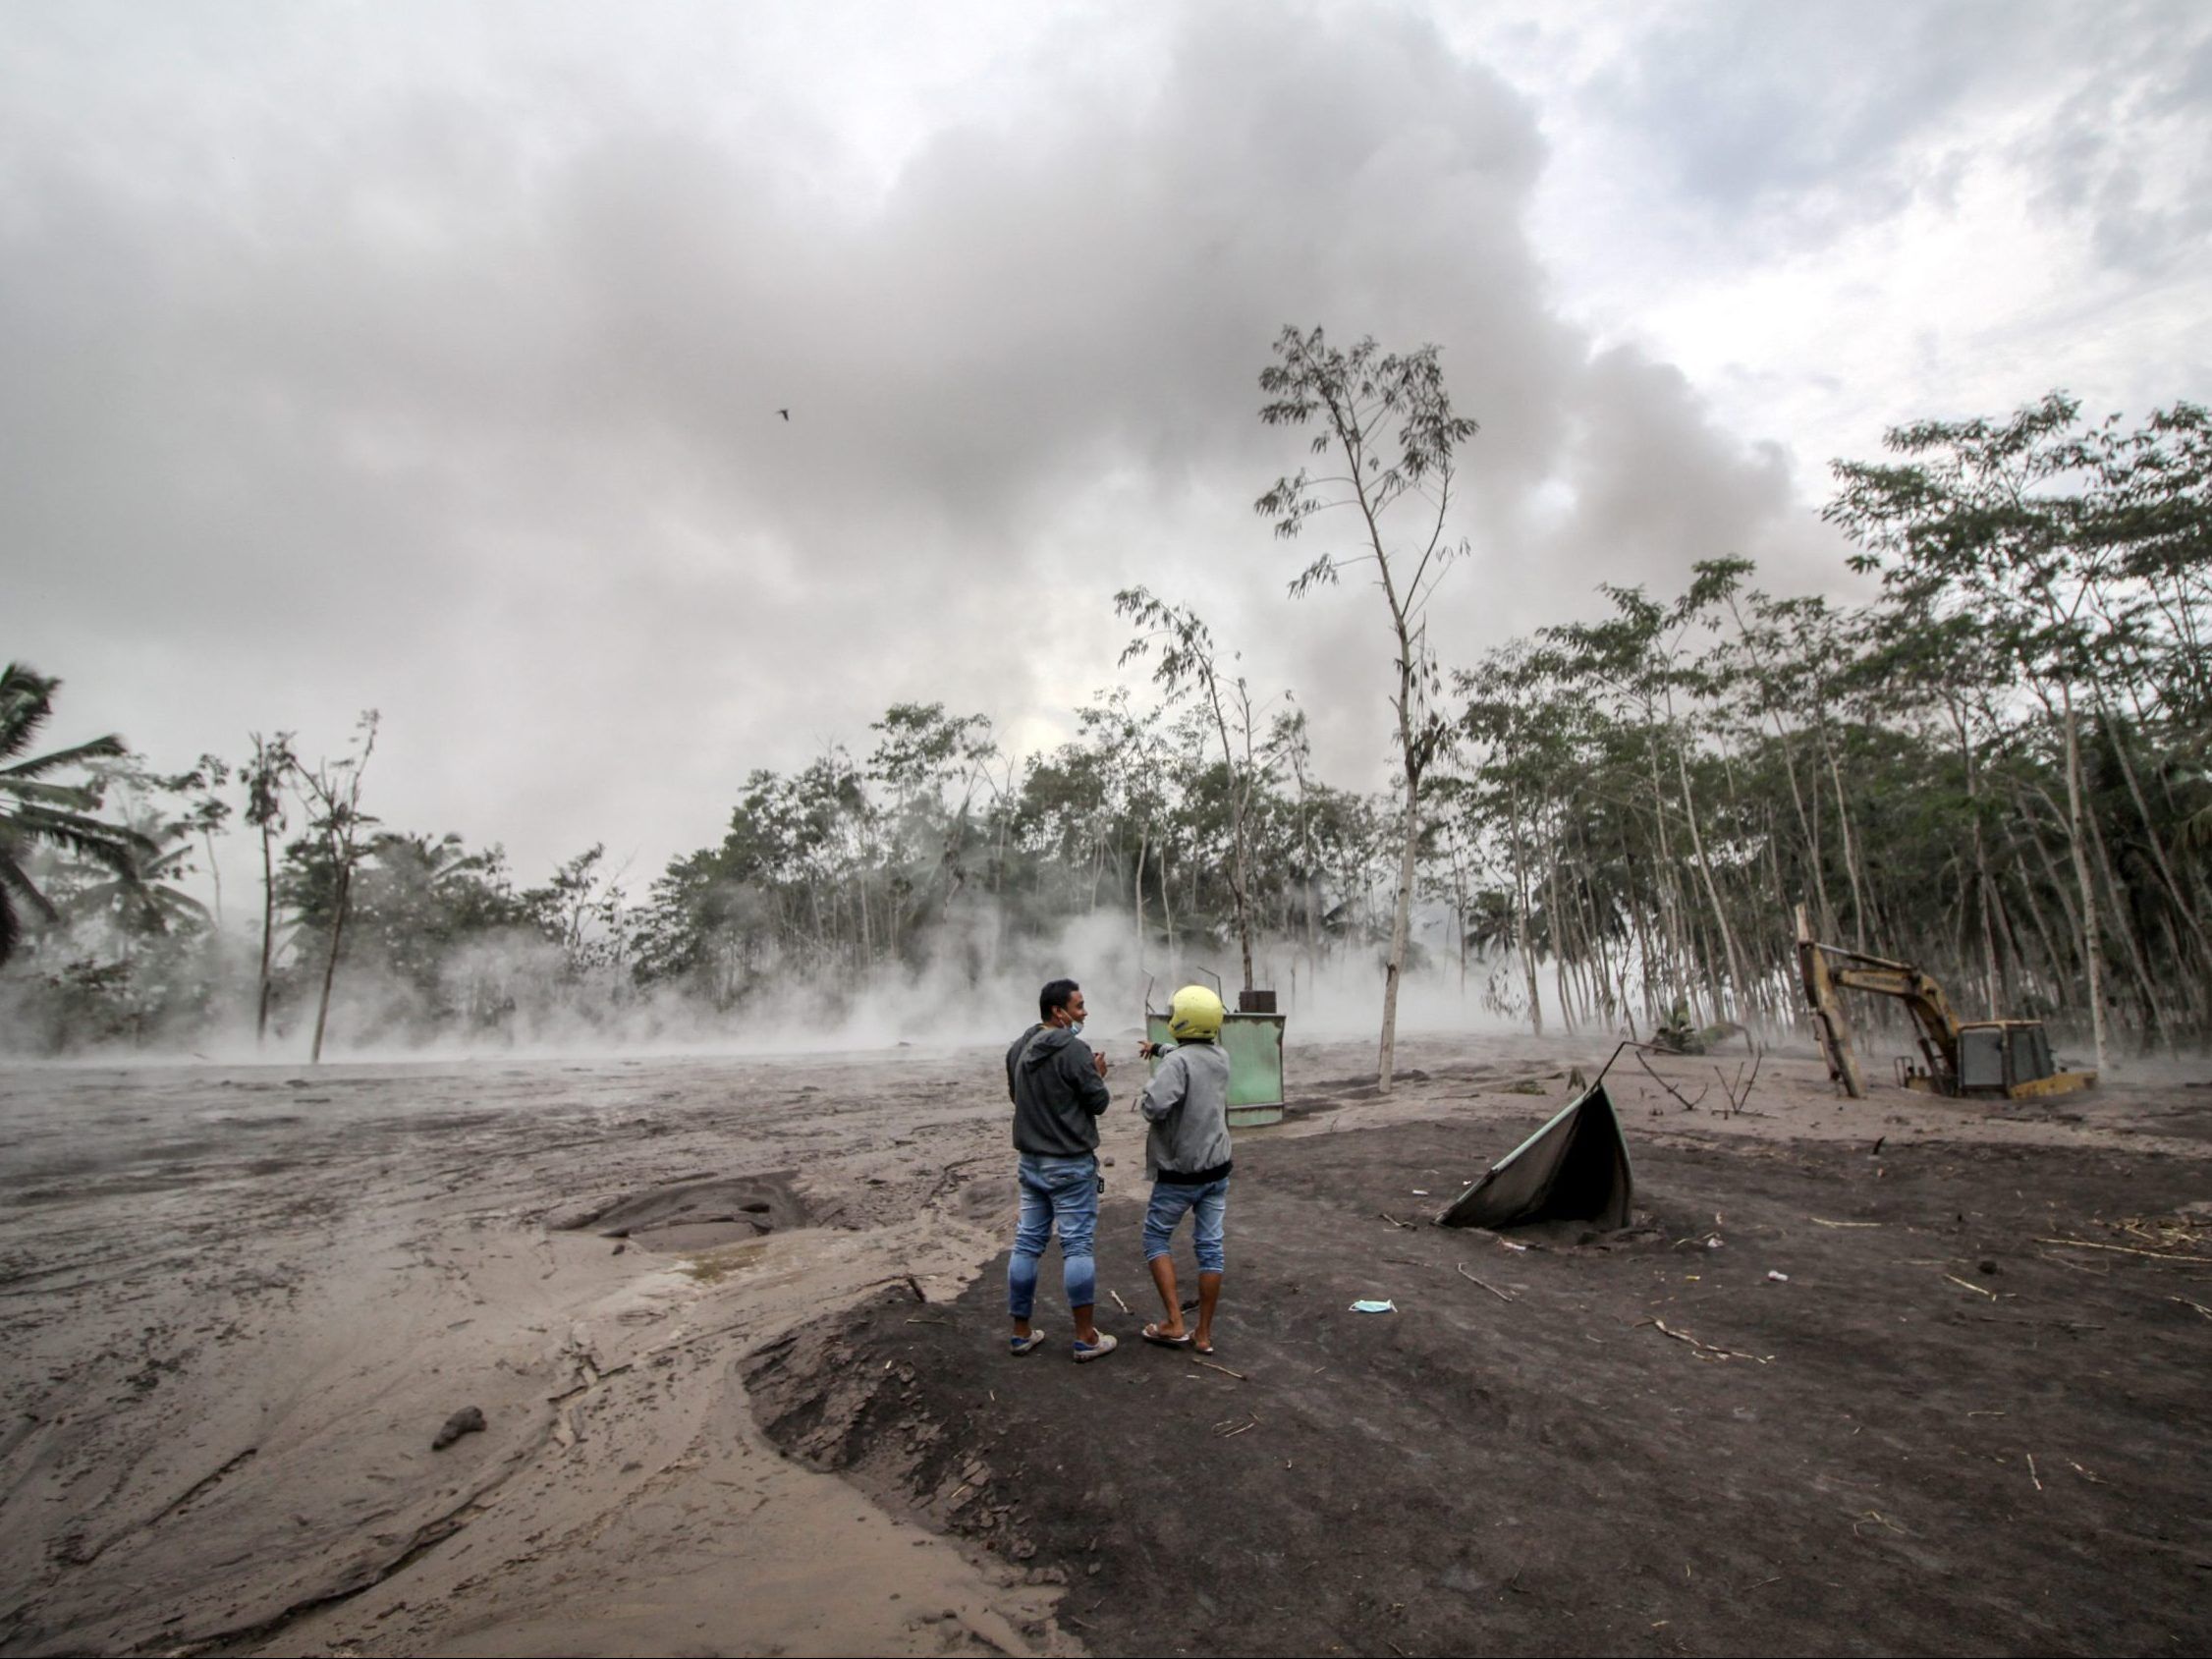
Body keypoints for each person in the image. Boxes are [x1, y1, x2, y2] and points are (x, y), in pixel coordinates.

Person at [1005, 978, 1118, 1362]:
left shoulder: (1018, 1047)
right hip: (1069, 1165)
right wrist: (1097, 1074)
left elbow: (1015, 1097)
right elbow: (1098, 1103)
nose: (1084, 1013)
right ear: (1059, 1011)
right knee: (1077, 1245)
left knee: (1027, 1243)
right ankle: (1085, 1337)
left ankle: (1021, 1333)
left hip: (1030, 1162)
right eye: (1080, 1006)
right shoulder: (1075, 1050)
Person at [1134, 984, 1232, 1355]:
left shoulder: (1176, 1065)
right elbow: (1189, 1058)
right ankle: (1203, 1335)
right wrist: (1157, 1049)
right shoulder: (1220, 1056)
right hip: (1217, 1169)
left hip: (1180, 1173)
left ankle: (1175, 1323)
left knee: (1155, 1239)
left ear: (1182, 1019)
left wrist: (1152, 1079)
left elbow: (1154, 1107)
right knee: (1210, 1249)